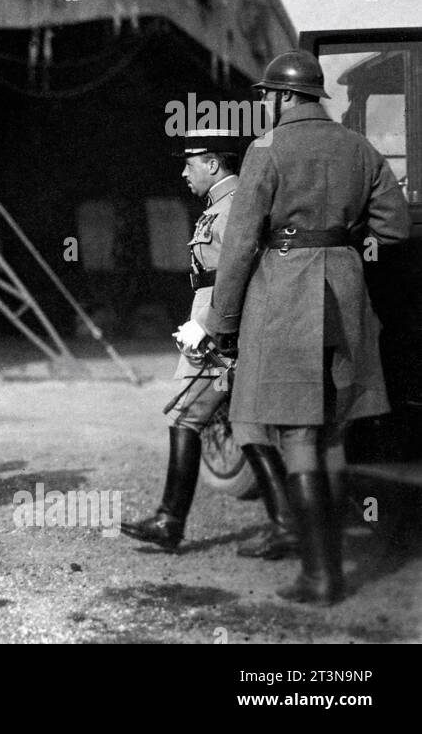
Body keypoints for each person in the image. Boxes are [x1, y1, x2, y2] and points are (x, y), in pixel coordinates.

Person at [180, 50, 410, 604]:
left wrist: (222, 324)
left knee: (298, 432)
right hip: (346, 294)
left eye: (267, 96)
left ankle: (321, 573)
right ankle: (324, 566)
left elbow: (238, 247)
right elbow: (395, 227)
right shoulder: (358, 146)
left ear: (282, 97)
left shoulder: (267, 149)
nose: (266, 105)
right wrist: (343, 237)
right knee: (332, 432)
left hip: (286, 297)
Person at [122, 128, 296, 559]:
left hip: (218, 333)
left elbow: (241, 274)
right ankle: (286, 525)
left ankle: (169, 521)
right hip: (218, 325)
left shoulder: (235, 206)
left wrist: (219, 331)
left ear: (213, 163)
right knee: (247, 426)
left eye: (190, 163)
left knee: (185, 415)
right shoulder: (222, 205)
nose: (184, 173)